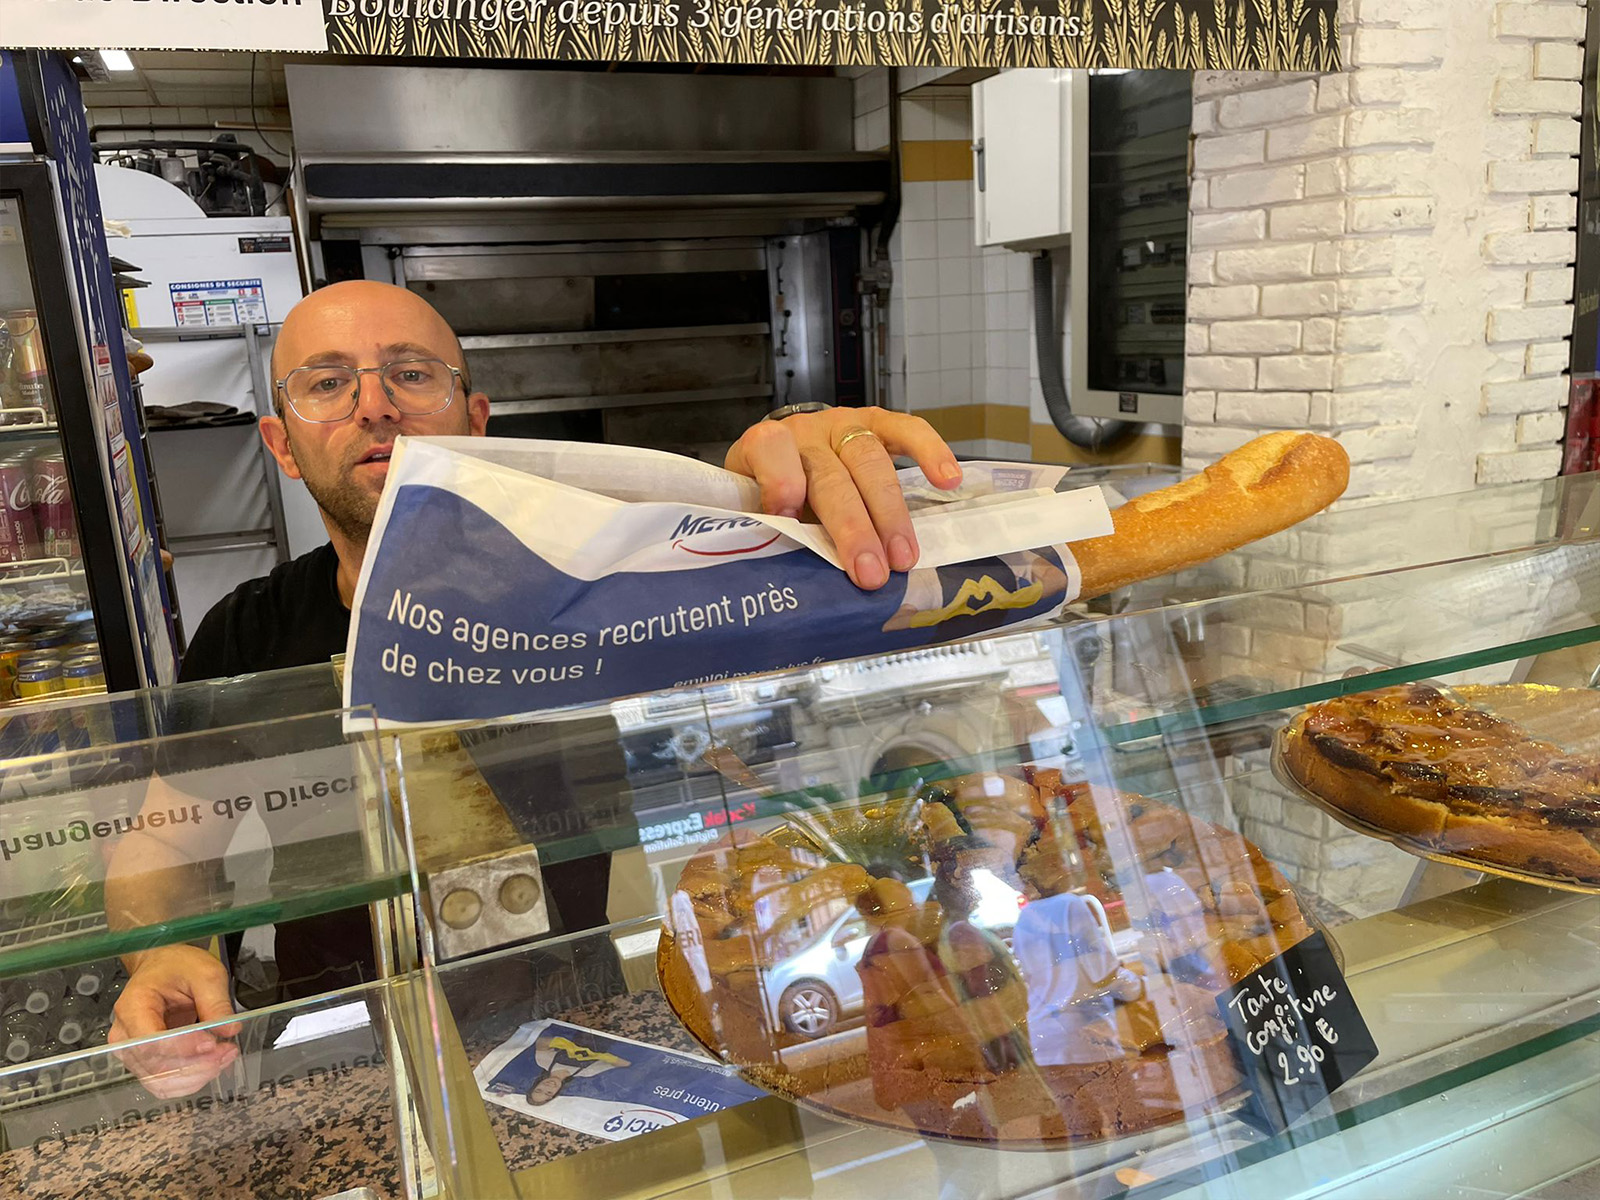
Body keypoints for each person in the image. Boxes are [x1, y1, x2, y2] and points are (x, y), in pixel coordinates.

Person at [106, 280, 964, 1084]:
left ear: (476, 420)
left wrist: (787, 471)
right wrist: (165, 951)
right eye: (326, 383)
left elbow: (778, 623)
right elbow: (169, 842)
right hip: (346, 1038)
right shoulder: (248, 631)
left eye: (411, 374)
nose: (375, 405)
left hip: (584, 1013)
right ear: (282, 445)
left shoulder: (604, 594)